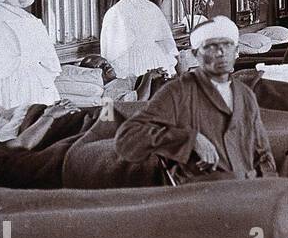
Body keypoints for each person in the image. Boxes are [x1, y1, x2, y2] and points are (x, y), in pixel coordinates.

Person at [114, 16, 277, 182]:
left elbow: (263, 154)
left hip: (248, 191)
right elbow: (127, 140)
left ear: (236, 52)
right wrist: (190, 139)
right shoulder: (178, 92)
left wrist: (270, 187)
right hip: (201, 194)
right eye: (211, 47)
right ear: (195, 54)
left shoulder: (245, 94)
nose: (221, 53)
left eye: (227, 45)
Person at [99, 0, 179, 80]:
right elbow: (112, 51)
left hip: (156, 58)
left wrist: (170, 62)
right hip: (131, 62)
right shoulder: (116, 12)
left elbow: (165, 39)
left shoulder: (152, 8)